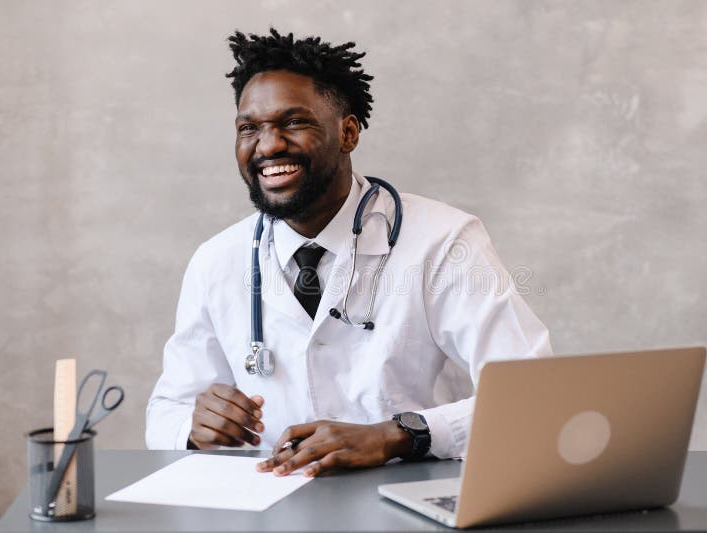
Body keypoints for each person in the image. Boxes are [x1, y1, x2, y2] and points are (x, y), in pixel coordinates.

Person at [146, 28, 552, 478]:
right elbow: (167, 410)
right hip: (272, 503)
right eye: (249, 128)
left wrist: (398, 434)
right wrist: (193, 426)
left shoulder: (444, 241)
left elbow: (533, 394)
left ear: (348, 133)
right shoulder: (216, 260)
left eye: (294, 122)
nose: (268, 145)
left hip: (408, 496)